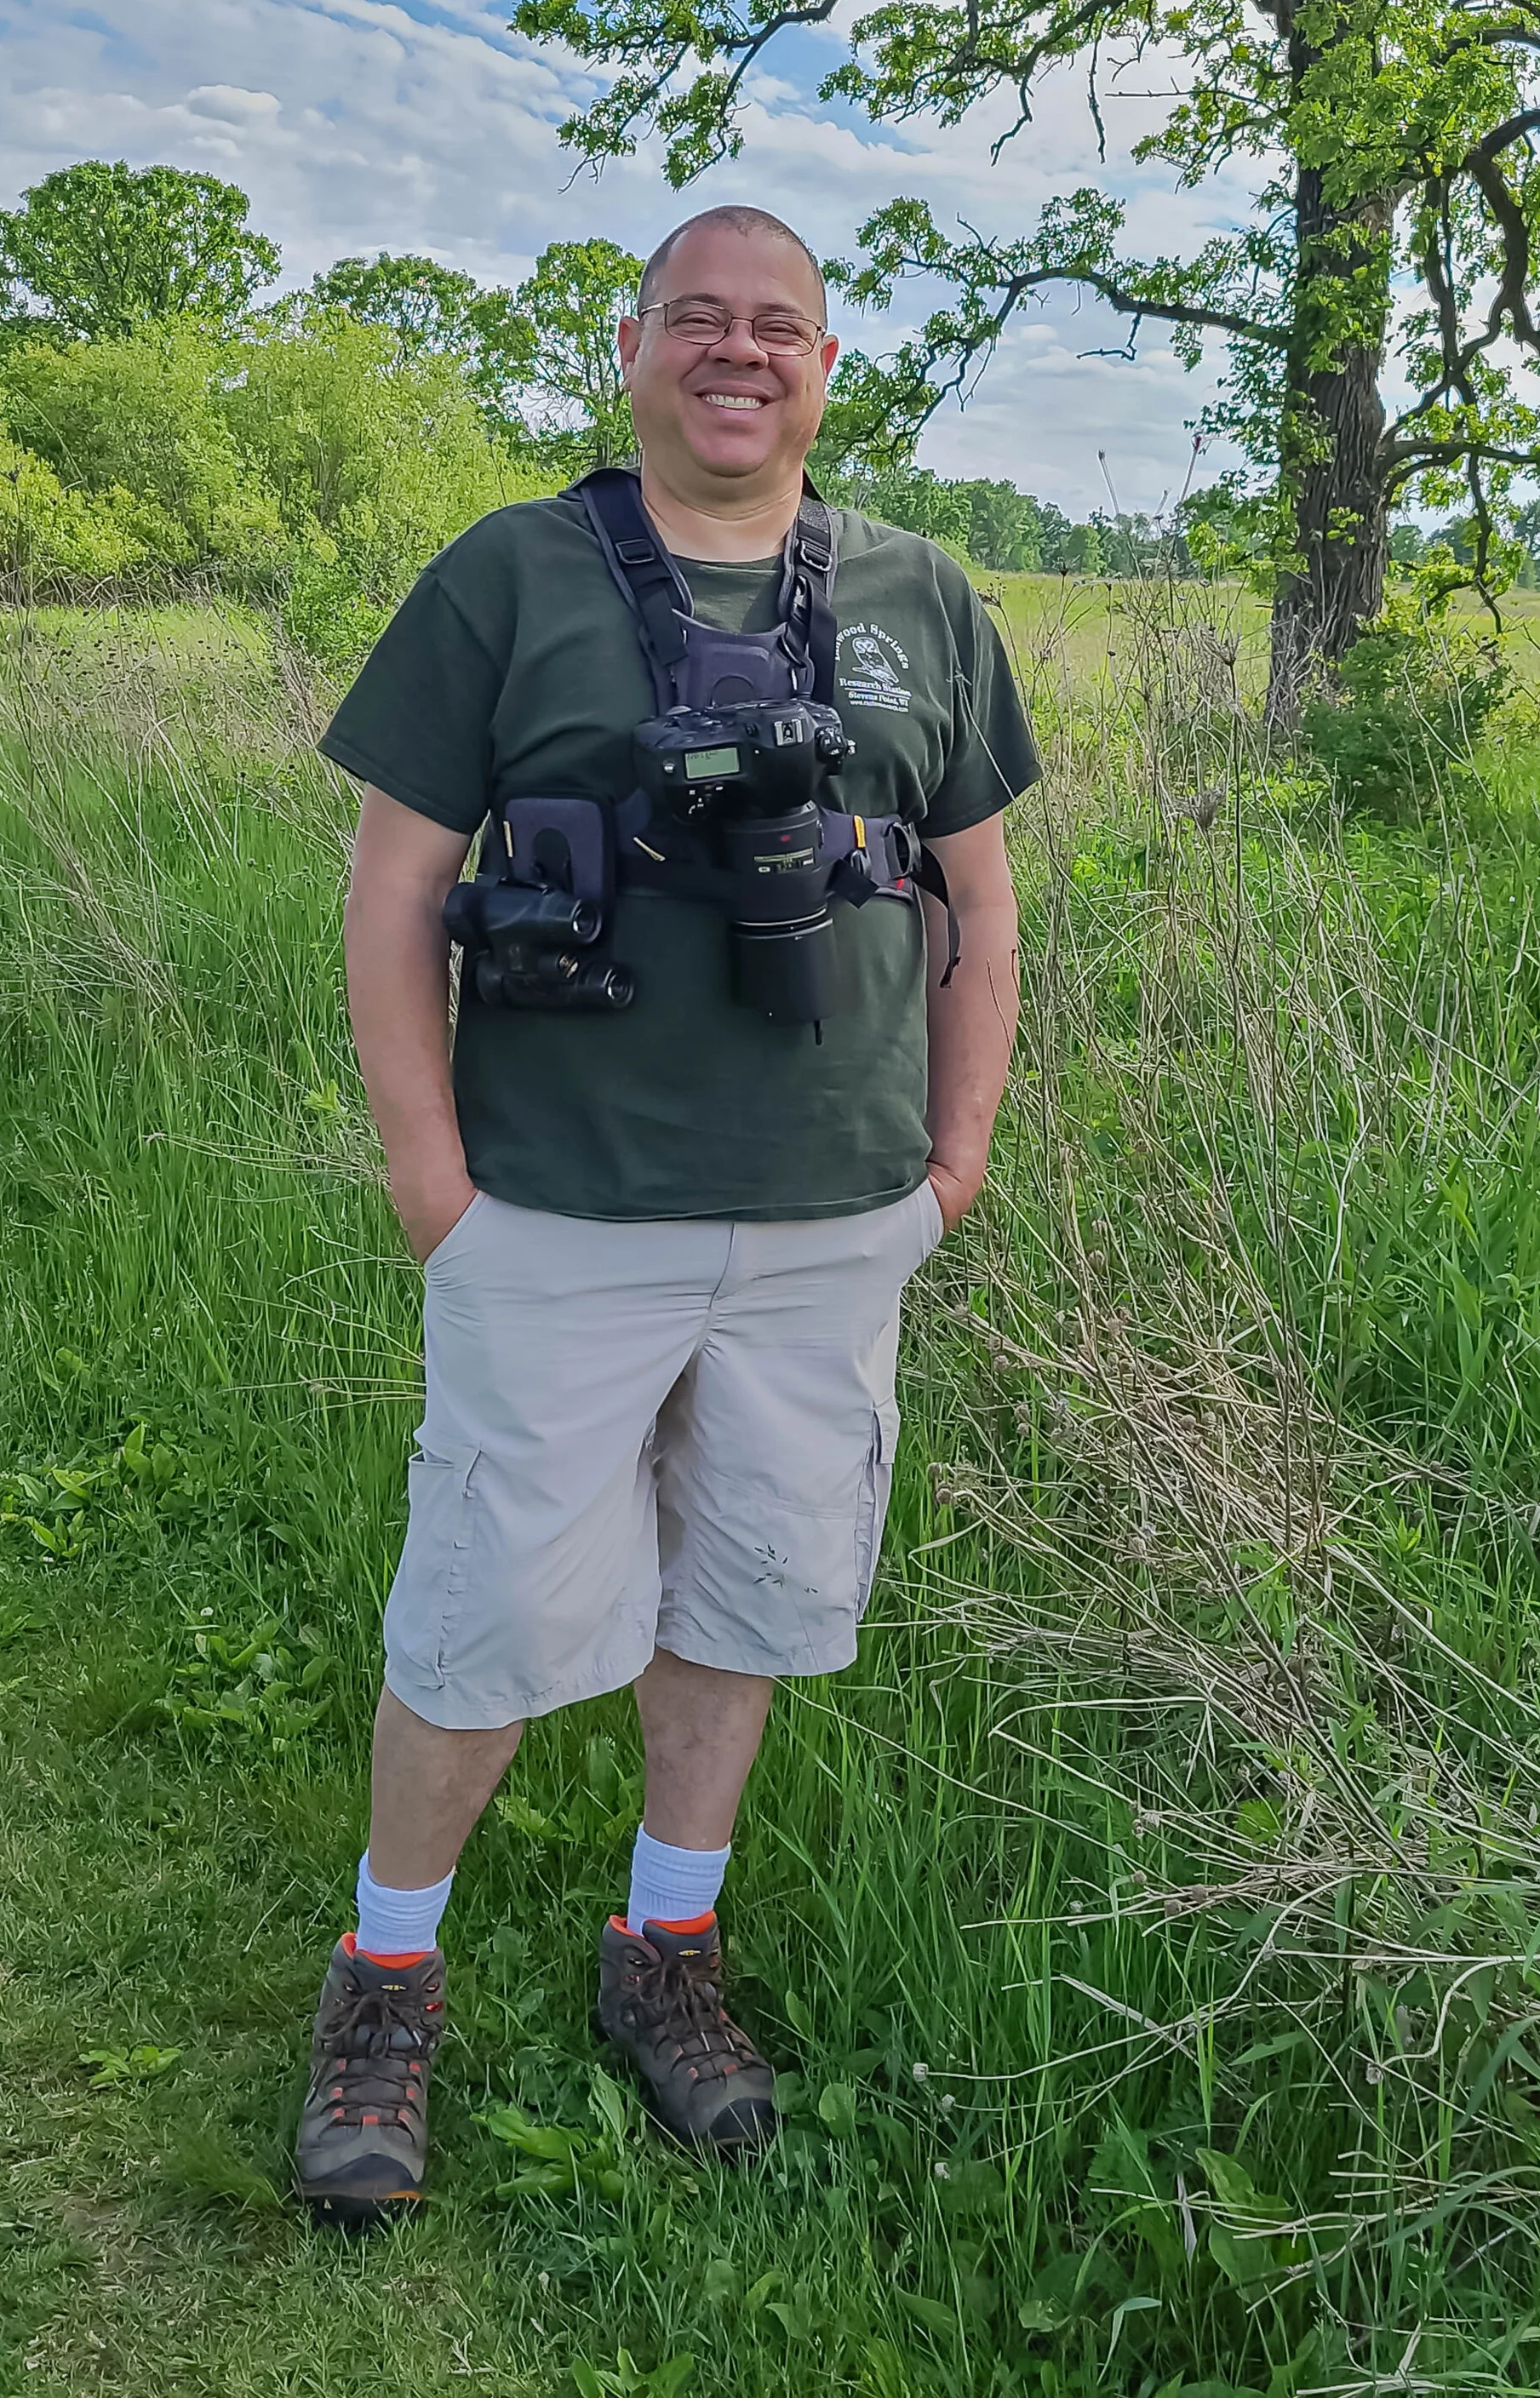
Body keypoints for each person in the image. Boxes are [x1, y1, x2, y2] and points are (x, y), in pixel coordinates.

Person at [294, 203, 1039, 2219]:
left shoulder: (918, 593)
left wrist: (949, 1171)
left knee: (753, 1593)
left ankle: (666, 1951)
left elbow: (977, 901)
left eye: (775, 325)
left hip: (832, 1225)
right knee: (483, 1612)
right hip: (554, 1210)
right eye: (696, 321)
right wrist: (431, 1176)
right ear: (627, 347)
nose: (737, 352)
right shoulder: (506, 578)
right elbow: (387, 891)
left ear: (823, 362)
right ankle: (385, 1974)